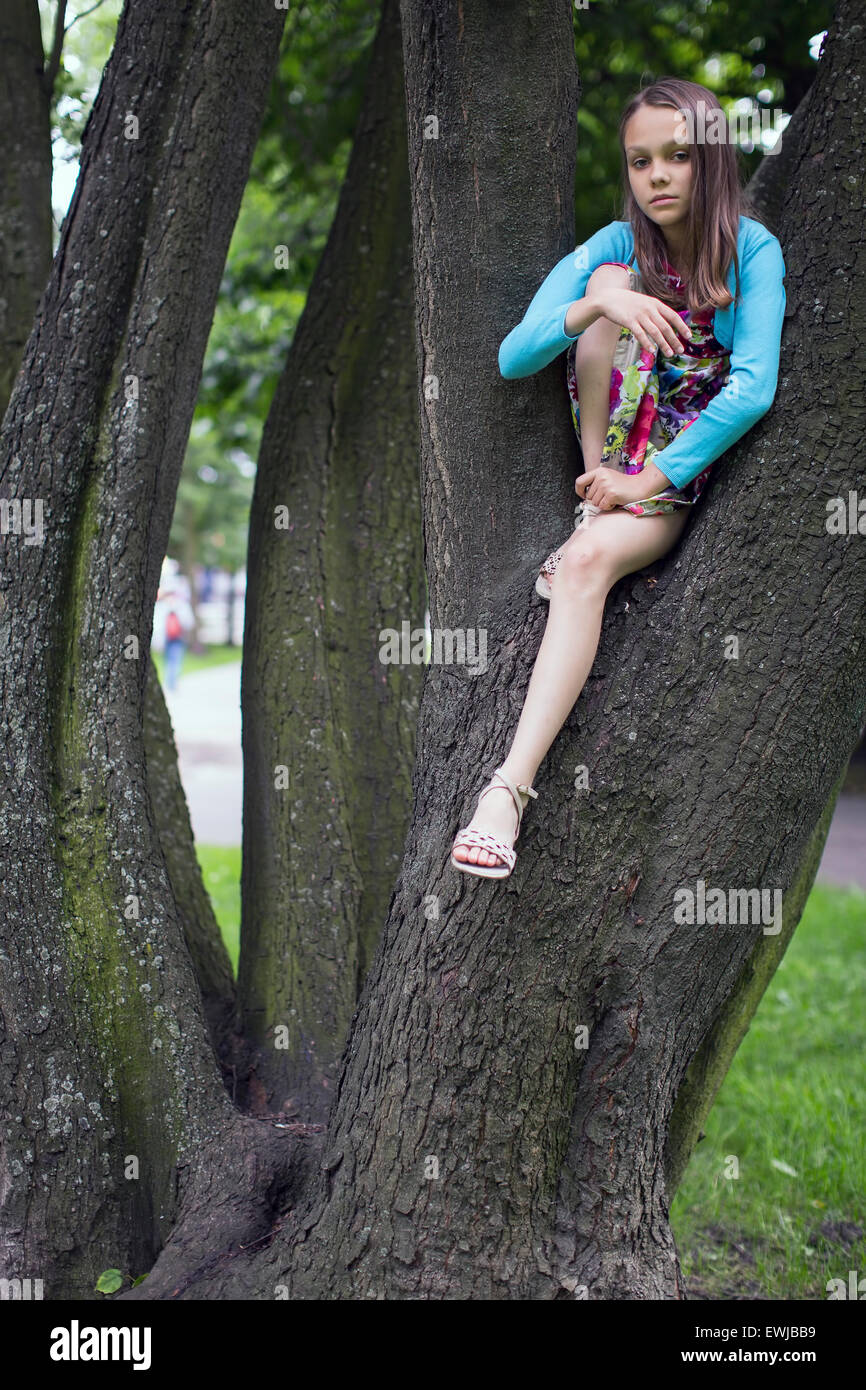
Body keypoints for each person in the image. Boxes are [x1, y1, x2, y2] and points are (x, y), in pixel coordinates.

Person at [450, 76, 786, 879]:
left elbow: (754, 385)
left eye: (679, 156)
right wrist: (605, 304)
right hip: (612, 446)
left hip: (680, 463)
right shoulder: (614, 247)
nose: (659, 176)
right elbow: (513, 355)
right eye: (641, 162)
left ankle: (507, 791)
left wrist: (653, 480)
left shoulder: (751, 250)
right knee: (605, 294)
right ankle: (592, 499)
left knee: (588, 565)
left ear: (713, 160)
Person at [155, 585, 195, 692]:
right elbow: (189, 622)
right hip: (170, 638)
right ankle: (171, 683)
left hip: (175, 638)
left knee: (172, 661)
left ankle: (170, 683)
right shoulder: (181, 605)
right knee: (173, 661)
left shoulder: (165, 606)